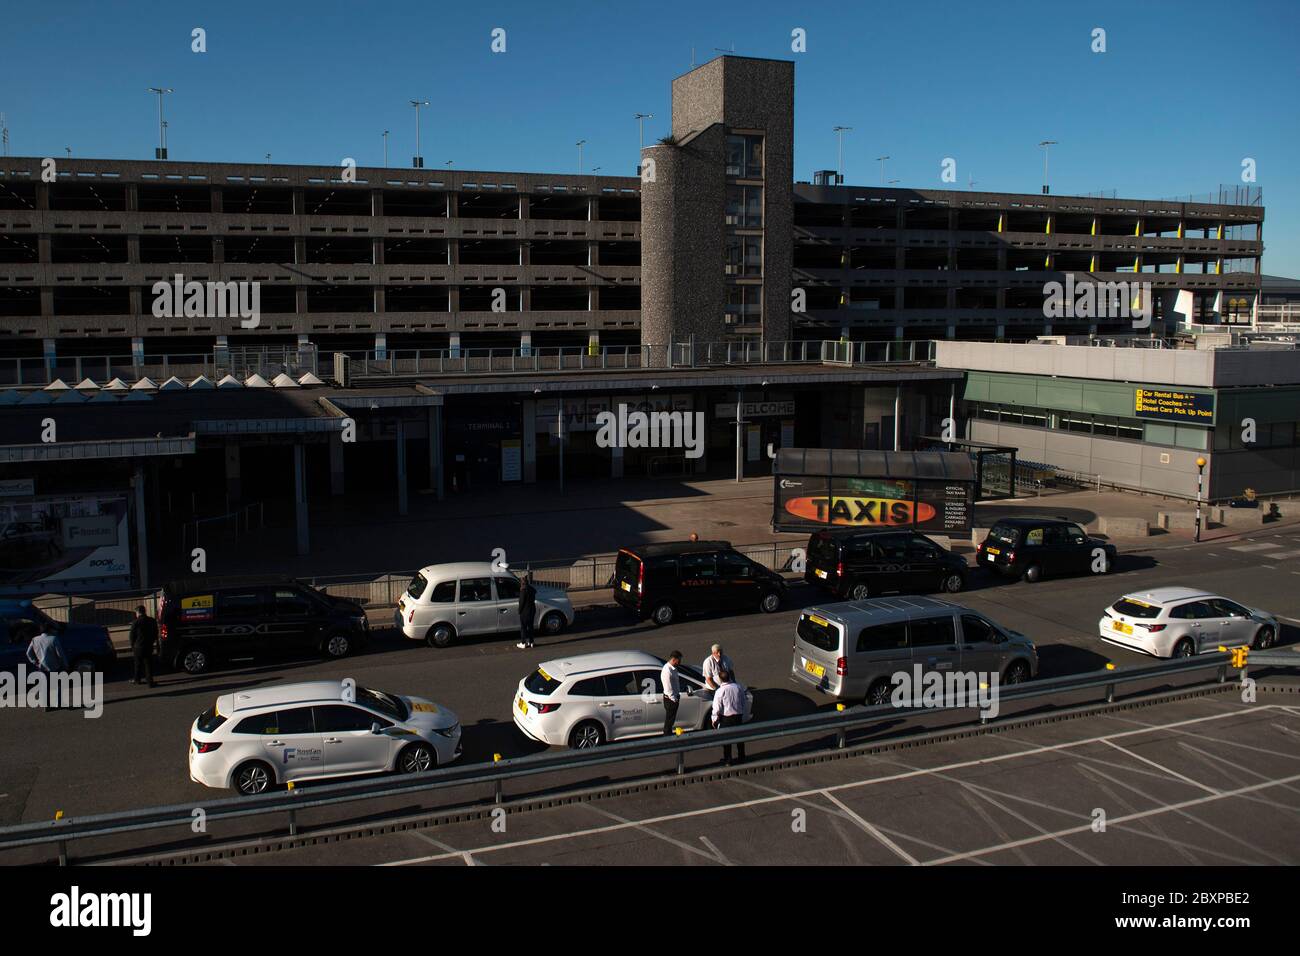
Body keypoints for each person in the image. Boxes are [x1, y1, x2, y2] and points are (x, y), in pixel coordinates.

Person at [26, 621, 68, 712]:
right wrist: (64, 664)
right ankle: (58, 704)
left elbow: (28, 653)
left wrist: (35, 662)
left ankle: (46, 705)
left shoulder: (35, 639)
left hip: (42, 667)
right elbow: (60, 654)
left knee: (44, 687)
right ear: (50, 630)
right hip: (55, 666)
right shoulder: (53, 639)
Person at [710, 669, 747, 765]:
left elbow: (716, 707)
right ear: (729, 677)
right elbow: (743, 701)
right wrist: (742, 713)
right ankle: (741, 757)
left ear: (720, 679)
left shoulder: (720, 691)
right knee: (740, 738)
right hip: (738, 716)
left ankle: (728, 760)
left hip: (726, 719)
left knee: (726, 740)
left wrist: (714, 719)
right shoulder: (738, 687)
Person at [129, 604, 158, 687]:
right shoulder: (152, 621)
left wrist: (133, 646)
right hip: (148, 645)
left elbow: (132, 636)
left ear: (138, 613)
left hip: (138, 646)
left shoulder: (136, 622)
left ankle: (137, 679)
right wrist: (152, 642)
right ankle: (150, 681)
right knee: (148, 664)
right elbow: (156, 633)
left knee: (138, 664)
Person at [661, 650, 683, 735]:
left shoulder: (673, 669)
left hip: (674, 698)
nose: (680, 662)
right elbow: (668, 688)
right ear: (674, 659)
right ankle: (667, 737)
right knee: (669, 721)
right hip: (670, 700)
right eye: (679, 660)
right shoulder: (667, 670)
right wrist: (674, 699)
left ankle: (668, 734)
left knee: (671, 720)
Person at [516, 571, 537, 649]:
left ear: (522, 583)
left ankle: (523, 643)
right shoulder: (531, 589)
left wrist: (519, 611)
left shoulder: (523, 591)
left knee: (523, 628)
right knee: (531, 627)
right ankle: (531, 642)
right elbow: (535, 591)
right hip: (532, 610)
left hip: (525, 612)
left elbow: (521, 602)